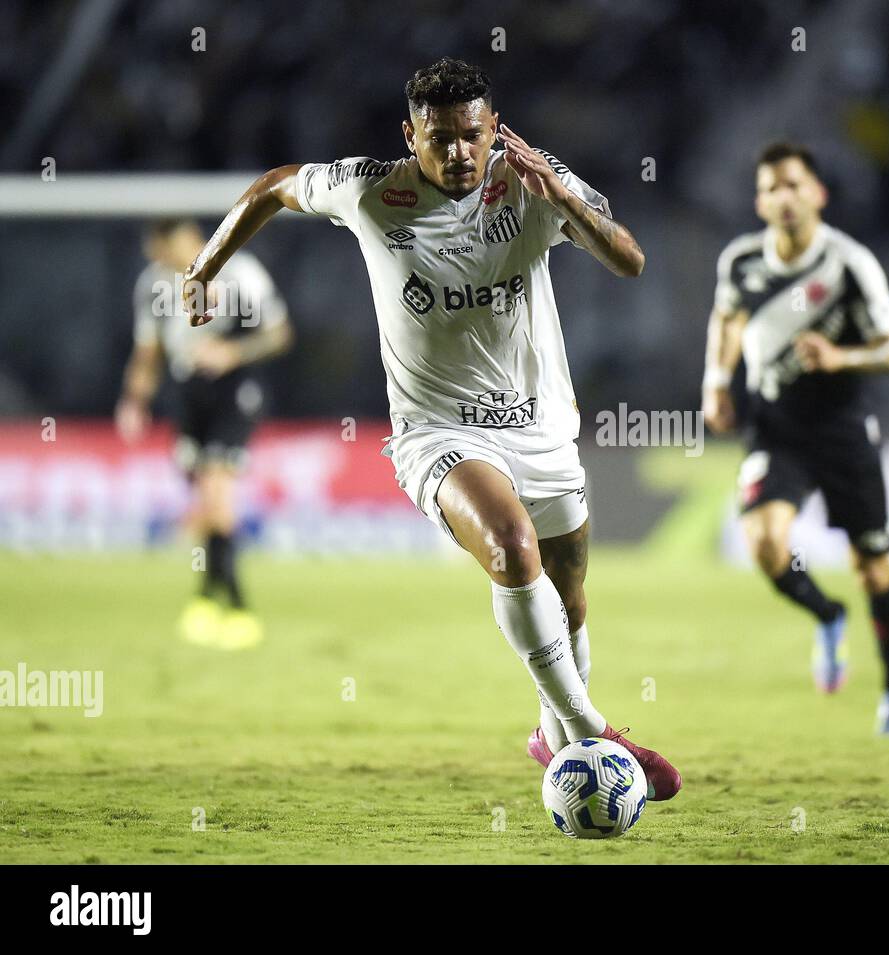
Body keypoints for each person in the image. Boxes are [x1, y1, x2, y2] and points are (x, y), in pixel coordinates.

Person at [180, 58, 679, 799]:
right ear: (408, 135)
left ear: (493, 128)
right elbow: (274, 186)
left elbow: (630, 261)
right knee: (511, 547)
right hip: (437, 433)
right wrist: (204, 264)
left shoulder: (532, 180)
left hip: (542, 427)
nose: (457, 153)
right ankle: (594, 732)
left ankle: (553, 731)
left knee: (570, 600)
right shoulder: (371, 190)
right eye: (439, 138)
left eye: (472, 136)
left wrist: (566, 199)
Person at [702, 142, 889, 734]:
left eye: (794, 184)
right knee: (766, 545)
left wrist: (841, 356)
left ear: (817, 194)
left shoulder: (850, 263)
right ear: (760, 201)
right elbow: (728, 319)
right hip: (778, 429)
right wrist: (716, 384)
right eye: (772, 188)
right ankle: (827, 616)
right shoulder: (741, 261)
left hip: (844, 428)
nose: (784, 196)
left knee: (873, 565)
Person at [116, 218, 293, 650]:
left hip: (234, 390)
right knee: (207, 500)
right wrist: (134, 400)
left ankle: (235, 605)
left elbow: (279, 334)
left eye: (165, 250)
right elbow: (148, 352)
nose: (162, 261)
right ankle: (207, 599)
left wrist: (232, 351)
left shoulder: (239, 271)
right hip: (186, 394)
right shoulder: (153, 285)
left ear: (189, 240)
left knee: (217, 491)